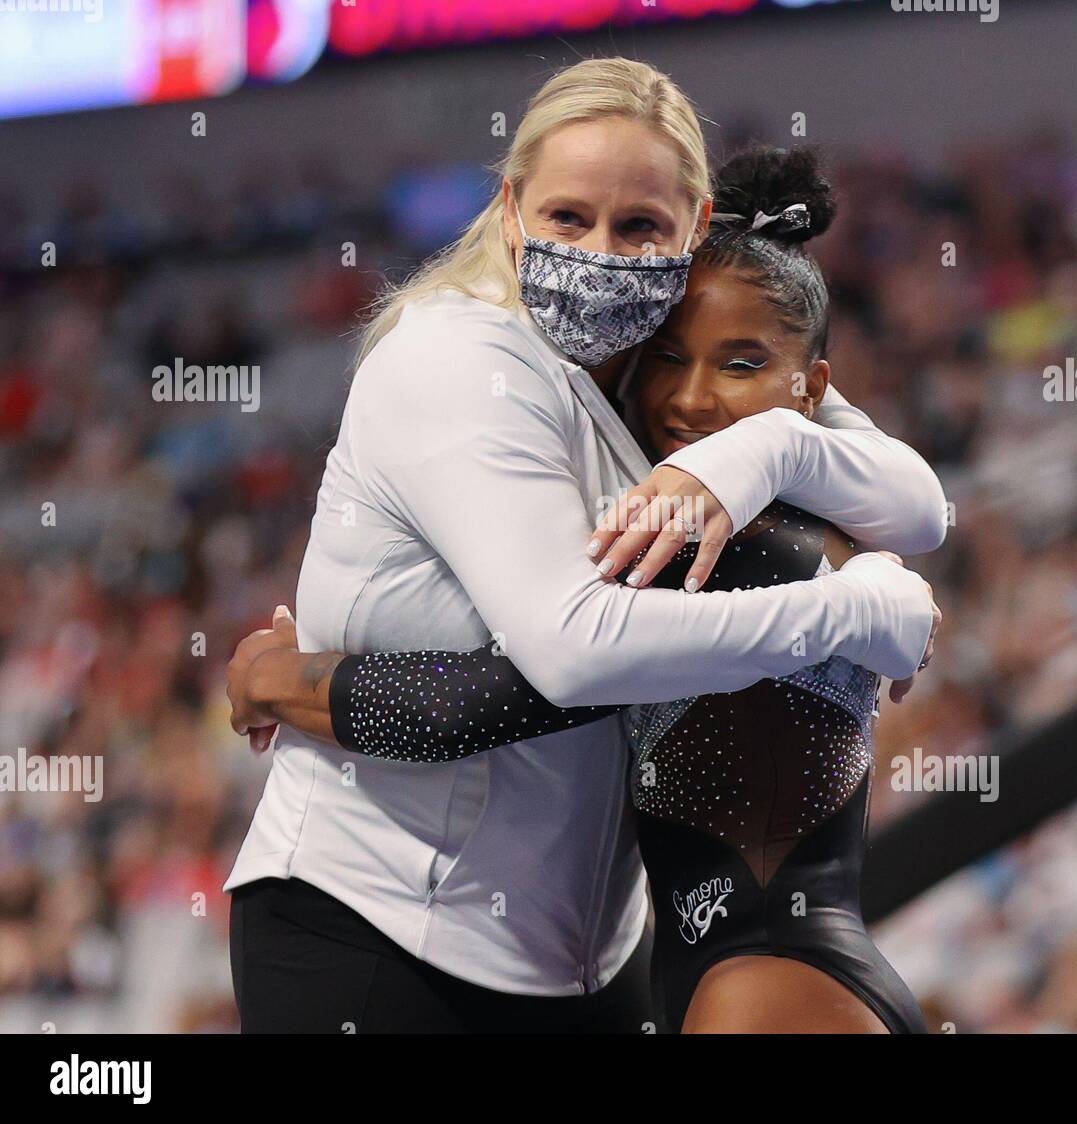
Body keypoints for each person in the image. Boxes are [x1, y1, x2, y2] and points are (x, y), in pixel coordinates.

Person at [224, 58, 945, 1033]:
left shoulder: (675, 357)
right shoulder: (459, 360)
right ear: (513, 207)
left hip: (585, 958)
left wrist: (764, 448)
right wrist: (851, 611)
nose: (600, 252)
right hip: (382, 925)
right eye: (568, 217)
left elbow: (914, 503)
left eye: (637, 224)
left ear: (691, 228)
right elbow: (567, 652)